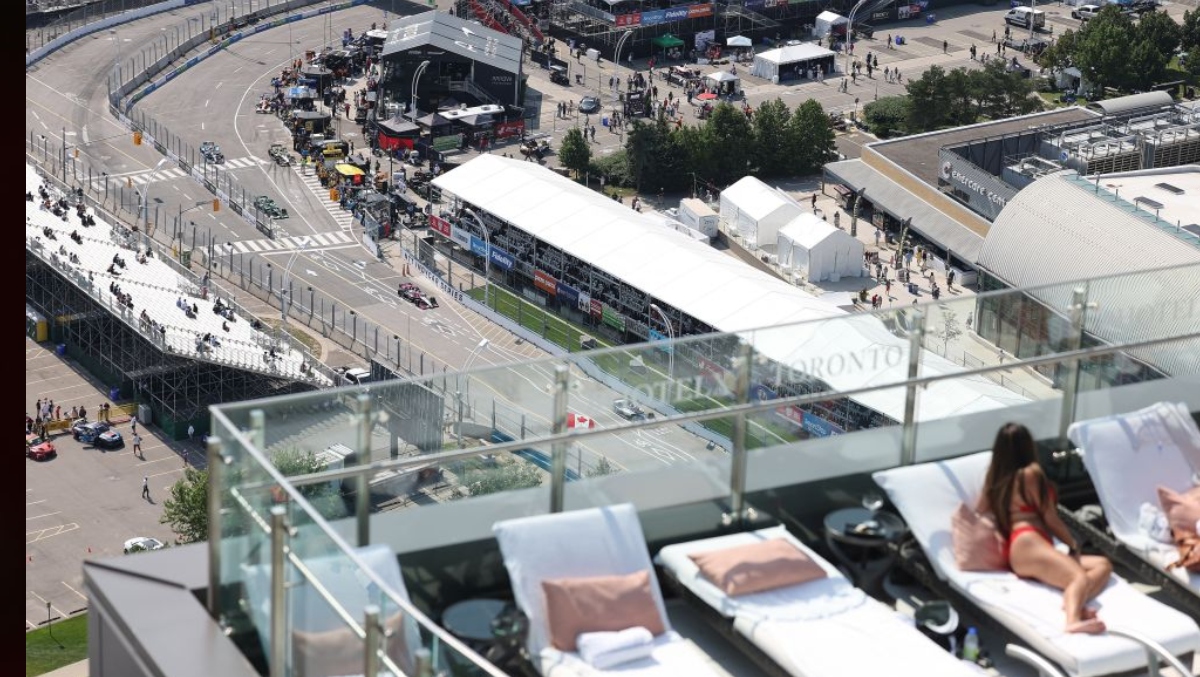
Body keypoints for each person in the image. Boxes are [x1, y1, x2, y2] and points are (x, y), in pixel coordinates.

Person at [980, 423, 1112, 634]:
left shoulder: (994, 476)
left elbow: (981, 509)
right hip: (1030, 542)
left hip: (1022, 547)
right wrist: (1072, 543)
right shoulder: (1031, 474)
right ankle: (1072, 620)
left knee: (1102, 564)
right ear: (1027, 446)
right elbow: (1051, 518)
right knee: (1077, 576)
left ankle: (1076, 600)